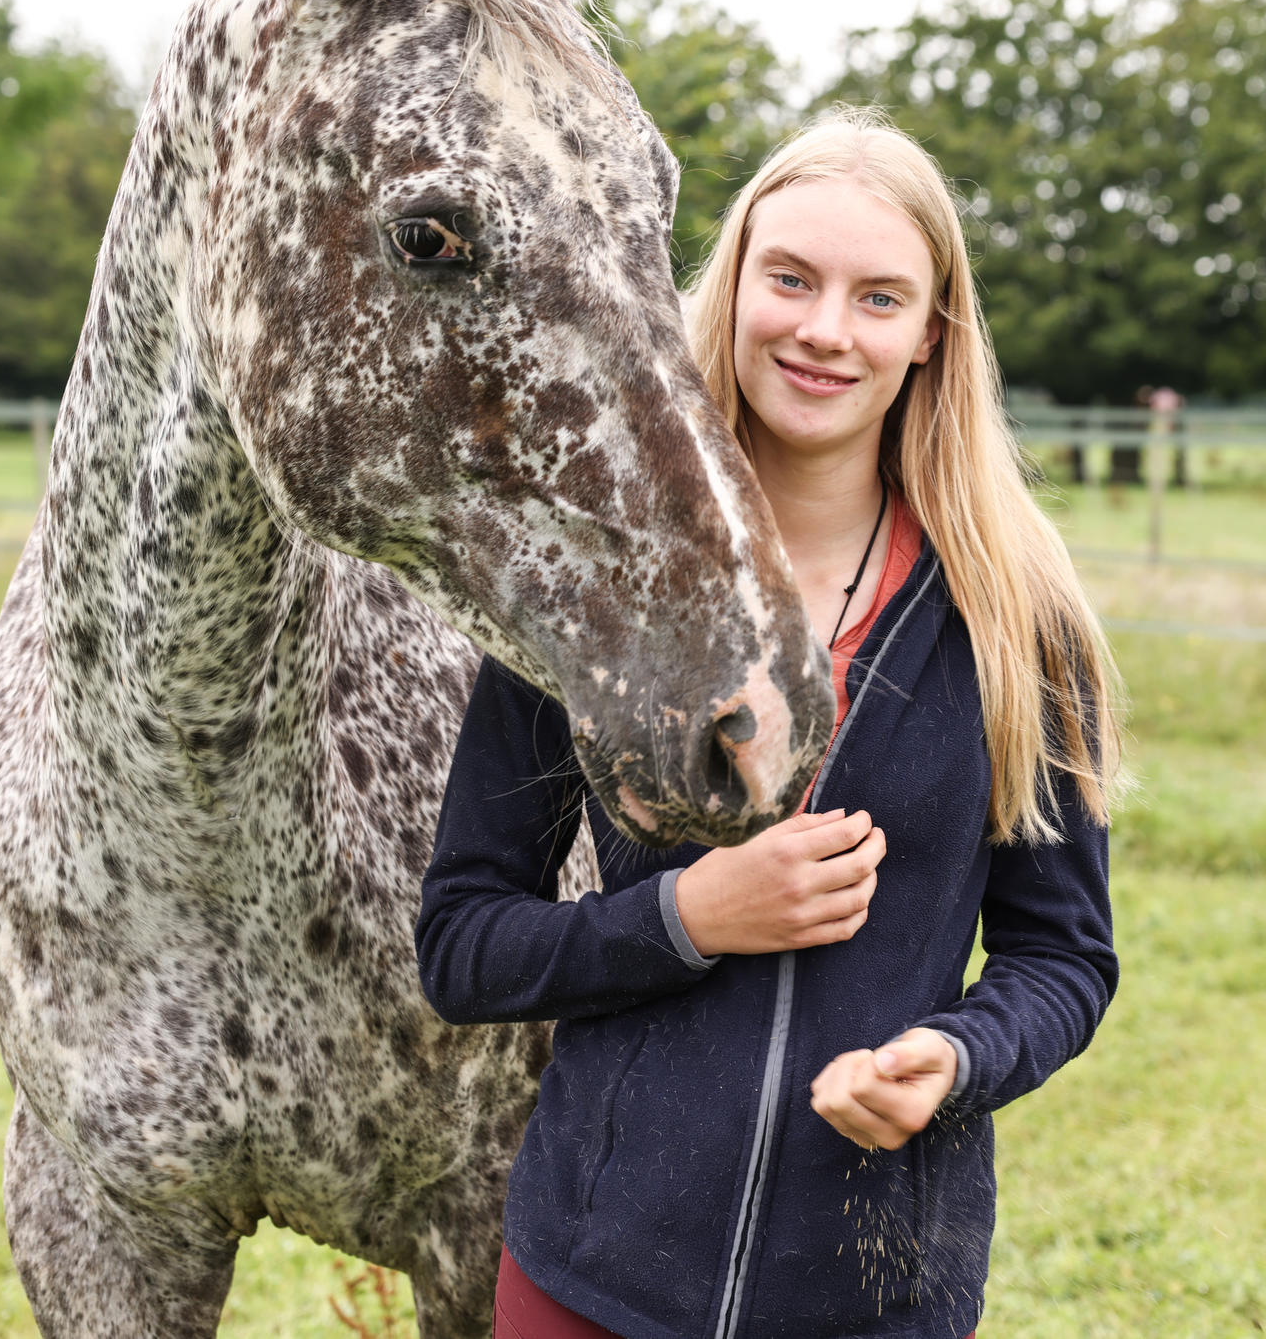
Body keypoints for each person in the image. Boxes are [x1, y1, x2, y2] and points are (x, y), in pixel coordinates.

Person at [417, 107, 1123, 1339]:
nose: (822, 330)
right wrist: (688, 917)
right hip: (590, 1282)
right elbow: (464, 944)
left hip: (875, 1294)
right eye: (789, 278)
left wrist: (954, 1062)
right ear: (731, 278)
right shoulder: (593, 584)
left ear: (928, 337)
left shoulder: (1016, 617)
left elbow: (1062, 958)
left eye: (877, 298)